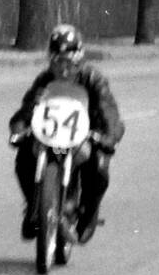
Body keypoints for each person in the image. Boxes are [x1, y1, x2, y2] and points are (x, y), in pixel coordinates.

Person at [8, 25, 125, 244]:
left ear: (78, 60)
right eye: (58, 61)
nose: (63, 68)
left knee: (99, 166)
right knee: (23, 157)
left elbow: (110, 114)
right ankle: (34, 206)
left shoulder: (93, 80)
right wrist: (19, 129)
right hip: (50, 137)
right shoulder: (43, 81)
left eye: (68, 62)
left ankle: (88, 214)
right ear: (50, 60)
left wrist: (107, 136)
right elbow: (25, 110)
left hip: (86, 137)